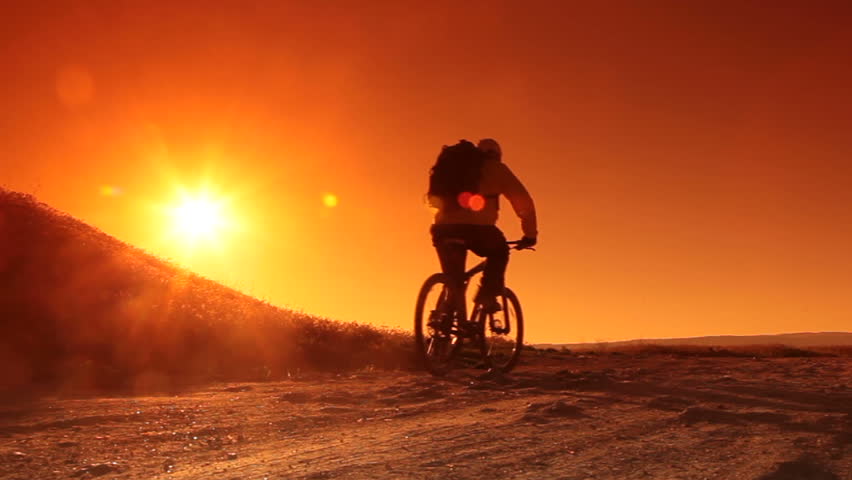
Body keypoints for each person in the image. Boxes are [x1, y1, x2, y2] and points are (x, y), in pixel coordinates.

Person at [427, 138, 538, 313]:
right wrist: (530, 234)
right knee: (500, 251)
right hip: (478, 230)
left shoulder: (452, 167)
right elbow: (524, 203)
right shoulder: (497, 169)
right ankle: (487, 295)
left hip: (443, 229)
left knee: (454, 279)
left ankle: (445, 315)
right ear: (497, 155)